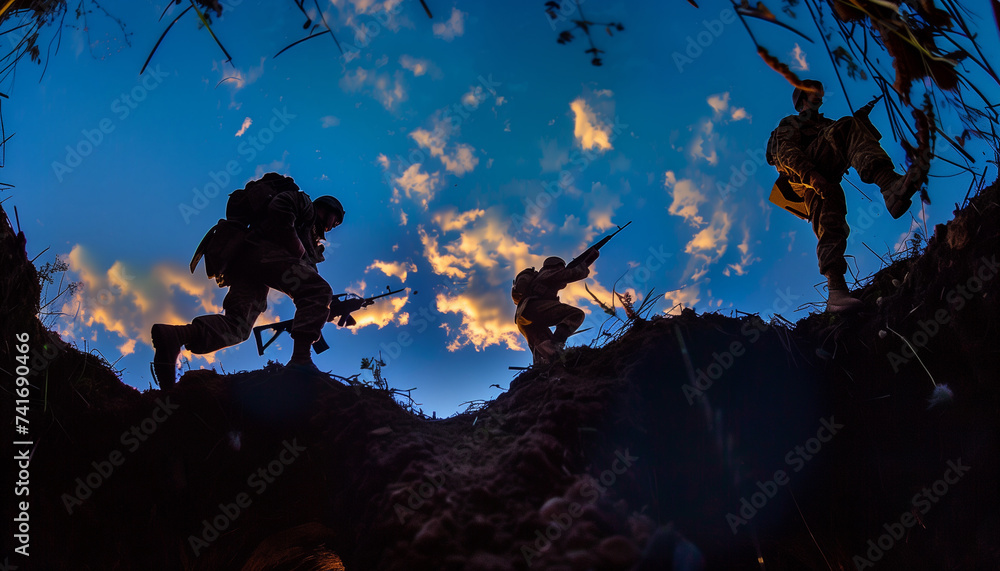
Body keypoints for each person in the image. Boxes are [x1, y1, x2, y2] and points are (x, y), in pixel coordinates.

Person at [151, 173, 345, 387]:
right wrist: (297, 250)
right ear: (327, 209)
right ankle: (301, 360)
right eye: (336, 219)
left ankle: (175, 336)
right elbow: (280, 207)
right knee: (318, 291)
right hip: (262, 254)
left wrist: (332, 307)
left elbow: (310, 278)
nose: (335, 225)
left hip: (247, 266)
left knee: (238, 326)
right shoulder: (305, 205)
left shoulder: (309, 237)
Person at [768, 79, 929, 313]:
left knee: (832, 224)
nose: (819, 97)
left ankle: (836, 293)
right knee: (828, 223)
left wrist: (862, 121)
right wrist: (812, 176)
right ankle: (889, 187)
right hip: (805, 176)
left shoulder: (826, 124)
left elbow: (852, 139)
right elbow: (785, 154)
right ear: (802, 99)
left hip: (827, 176)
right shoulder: (791, 123)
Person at [513, 251, 598, 365]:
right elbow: (571, 274)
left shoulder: (538, 278)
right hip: (534, 309)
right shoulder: (547, 273)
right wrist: (585, 263)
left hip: (522, 318)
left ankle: (543, 366)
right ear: (557, 265)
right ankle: (556, 345)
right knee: (576, 314)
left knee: (546, 348)